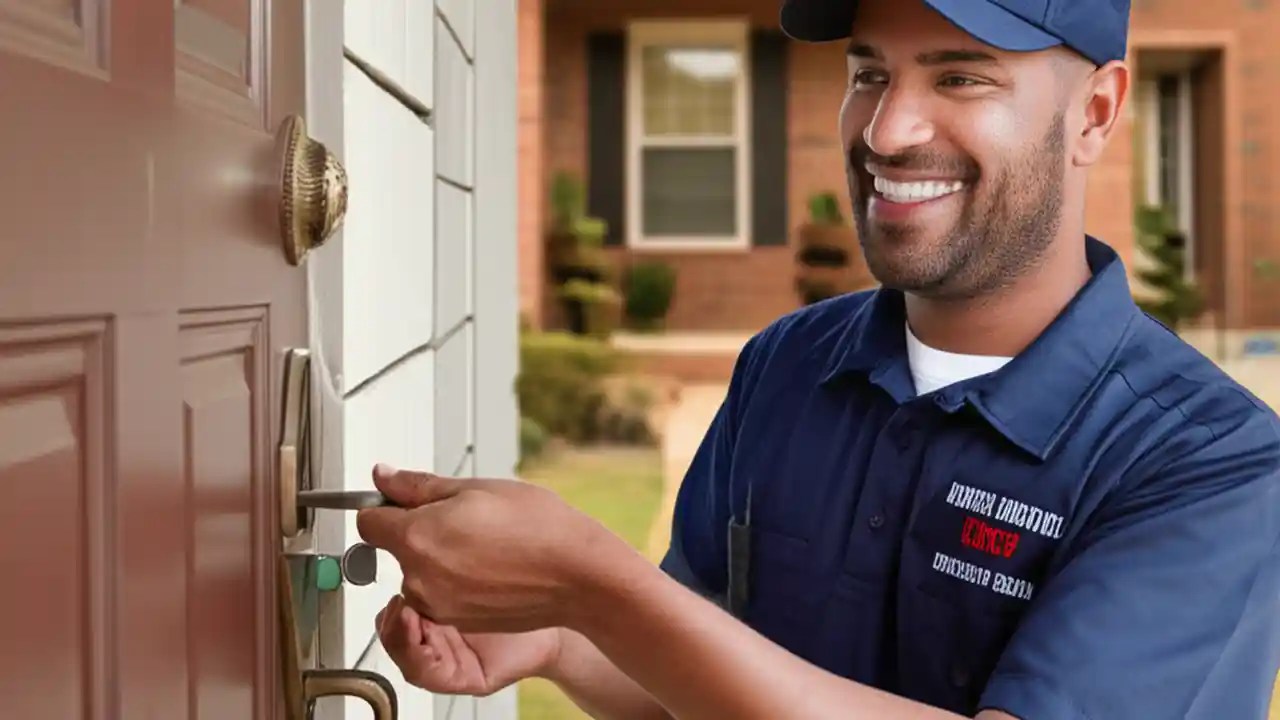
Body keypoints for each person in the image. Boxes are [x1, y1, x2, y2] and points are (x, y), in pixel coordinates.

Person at [357, 0, 1280, 717]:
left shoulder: (1209, 463)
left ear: (1098, 112)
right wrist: (563, 637)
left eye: (960, 78)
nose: (886, 131)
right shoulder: (787, 366)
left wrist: (597, 588)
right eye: (869, 73)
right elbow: (707, 682)